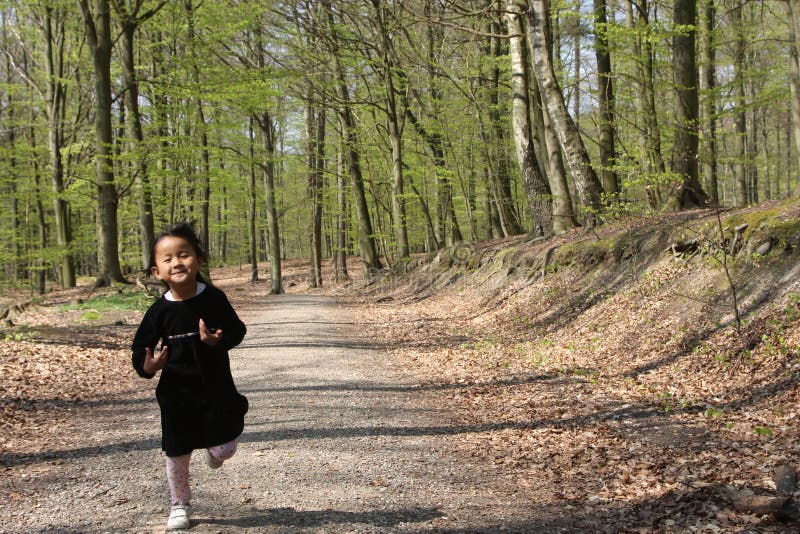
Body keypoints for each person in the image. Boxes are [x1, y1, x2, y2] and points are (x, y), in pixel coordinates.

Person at [132, 222, 248, 530]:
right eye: (167, 259)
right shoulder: (158, 312)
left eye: (183, 254)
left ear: (199, 260)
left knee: (225, 447)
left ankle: (217, 450)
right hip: (176, 394)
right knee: (177, 452)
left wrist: (218, 340)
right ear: (157, 272)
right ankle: (179, 504)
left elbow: (237, 330)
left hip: (216, 389)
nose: (176, 262)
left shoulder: (213, 298)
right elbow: (140, 347)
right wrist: (148, 366)